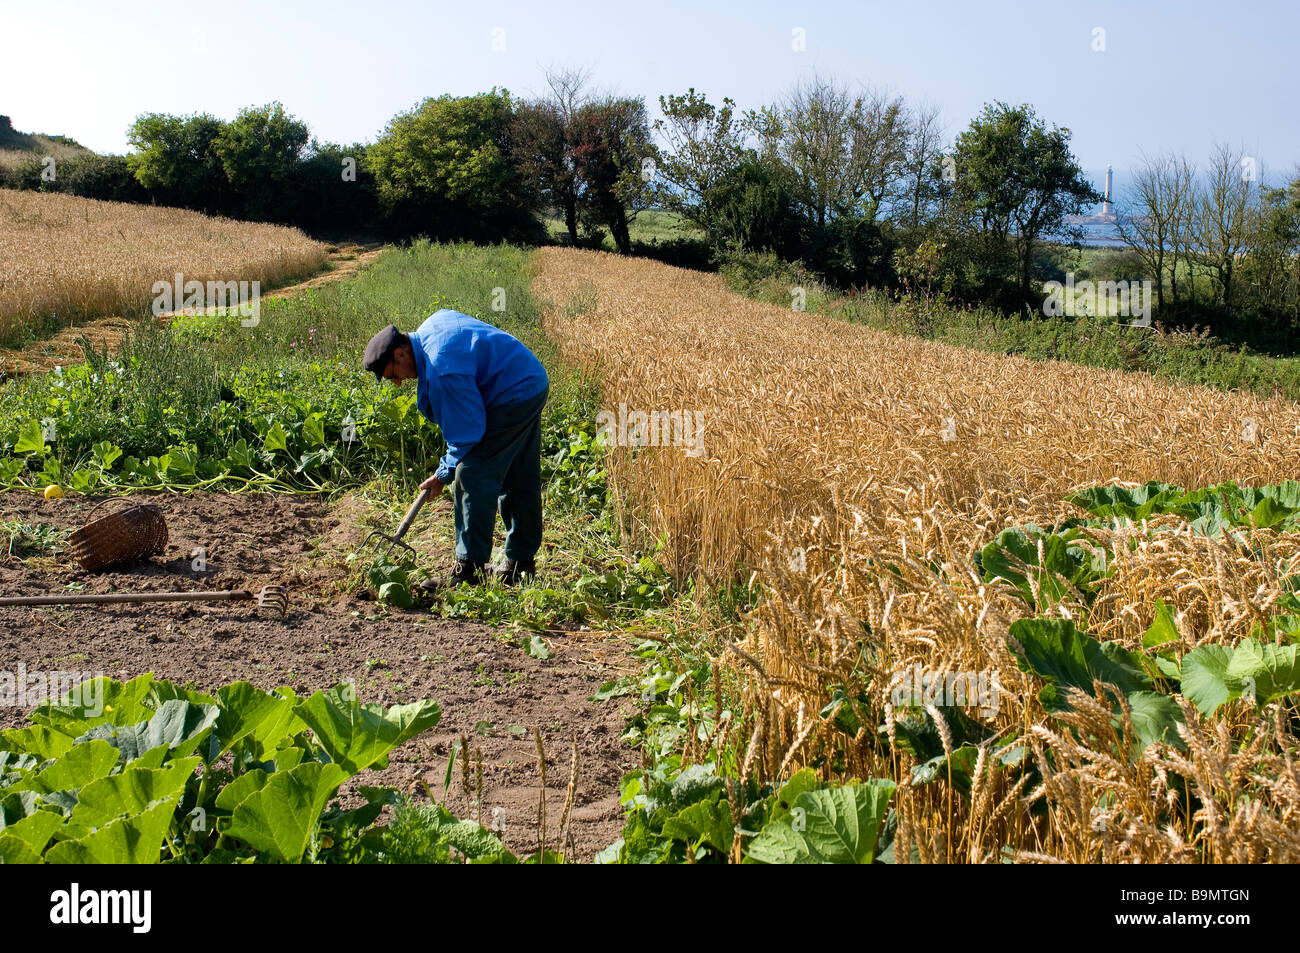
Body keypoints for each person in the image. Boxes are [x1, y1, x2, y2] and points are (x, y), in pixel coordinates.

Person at [363, 310, 549, 590]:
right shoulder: (430, 327)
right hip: (529, 379)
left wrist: (443, 473)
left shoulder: (442, 368)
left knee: (471, 474)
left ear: (401, 354)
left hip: (511, 395)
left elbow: (468, 434)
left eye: (392, 376)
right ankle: (520, 566)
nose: (399, 382)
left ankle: (468, 572)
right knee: (518, 475)